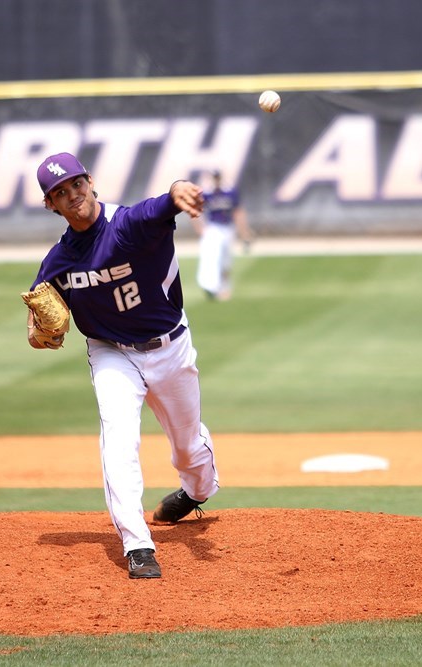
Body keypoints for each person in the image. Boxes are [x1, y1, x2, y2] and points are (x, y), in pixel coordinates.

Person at [27, 152, 220, 580]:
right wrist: (38, 330)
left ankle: (197, 491)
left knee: (188, 447)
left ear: (90, 181)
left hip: (170, 348)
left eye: (76, 184)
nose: (71, 195)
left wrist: (179, 193)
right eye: (59, 192)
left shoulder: (128, 224)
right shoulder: (58, 262)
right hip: (112, 353)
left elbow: (161, 204)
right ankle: (137, 544)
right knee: (118, 442)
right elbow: (39, 315)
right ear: (51, 205)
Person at [193, 170, 253, 301]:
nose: (216, 181)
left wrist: (245, 233)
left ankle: (224, 287)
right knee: (213, 256)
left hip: (228, 228)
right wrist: (200, 229)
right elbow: (195, 210)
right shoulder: (207, 194)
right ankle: (211, 286)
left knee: (226, 260)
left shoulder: (230, 192)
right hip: (214, 228)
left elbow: (238, 212)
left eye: (218, 178)